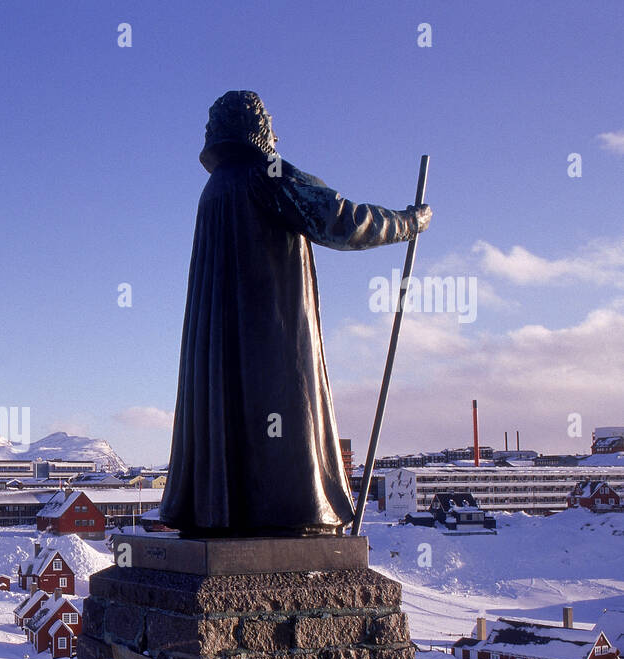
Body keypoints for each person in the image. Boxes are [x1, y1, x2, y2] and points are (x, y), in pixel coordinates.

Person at [159, 90, 431, 538]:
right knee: (285, 408)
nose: (276, 134)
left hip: (226, 343)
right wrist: (409, 222)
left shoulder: (215, 190)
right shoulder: (265, 173)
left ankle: (224, 514)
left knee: (233, 409)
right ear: (258, 128)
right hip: (271, 331)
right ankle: (291, 511)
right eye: (270, 123)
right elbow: (339, 220)